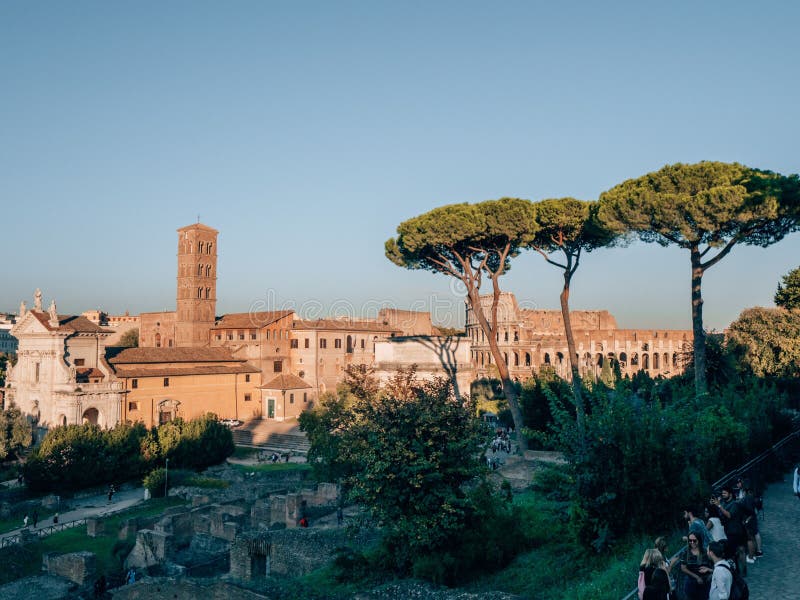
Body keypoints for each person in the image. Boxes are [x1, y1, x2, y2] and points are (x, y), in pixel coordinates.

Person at [678, 532, 713, 600]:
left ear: (699, 540)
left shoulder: (705, 551)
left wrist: (709, 571)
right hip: (691, 583)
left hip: (705, 582)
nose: (692, 542)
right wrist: (697, 577)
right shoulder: (685, 552)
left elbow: (713, 564)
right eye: (690, 540)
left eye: (694, 540)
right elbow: (683, 568)